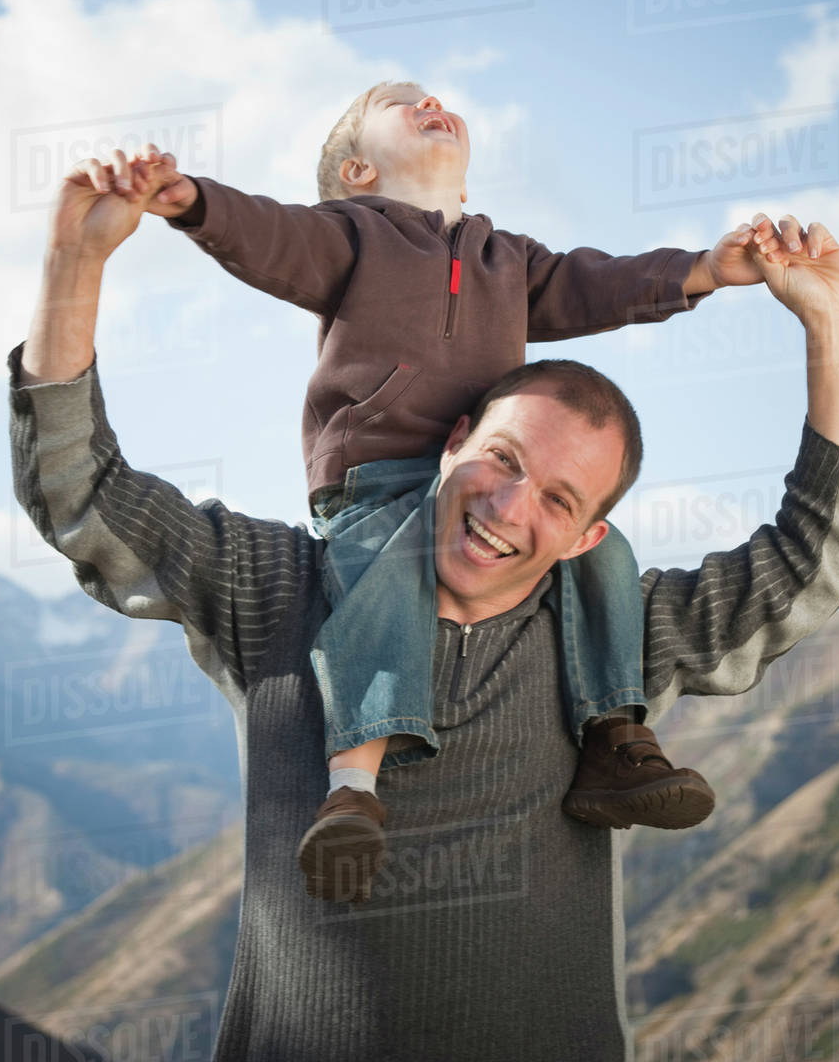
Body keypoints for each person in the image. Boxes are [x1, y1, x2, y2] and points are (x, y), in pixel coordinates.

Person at [10, 158, 839, 1062]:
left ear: (592, 538)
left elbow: (809, 557)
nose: (511, 508)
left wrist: (833, 324)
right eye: (503, 460)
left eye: (559, 500)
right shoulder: (275, 590)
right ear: (451, 443)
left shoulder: (615, 643)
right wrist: (71, 265)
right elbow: (84, 492)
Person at [110, 81, 773, 896]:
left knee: (601, 552)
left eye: (436, 98)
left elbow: (594, 282)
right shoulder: (350, 235)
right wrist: (193, 202)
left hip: (486, 485)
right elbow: (273, 236)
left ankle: (612, 736)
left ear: (466, 182)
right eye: (401, 102)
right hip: (377, 481)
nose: (431, 101)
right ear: (358, 169)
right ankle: (354, 786)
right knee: (388, 577)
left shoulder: (508, 258)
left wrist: (703, 269)